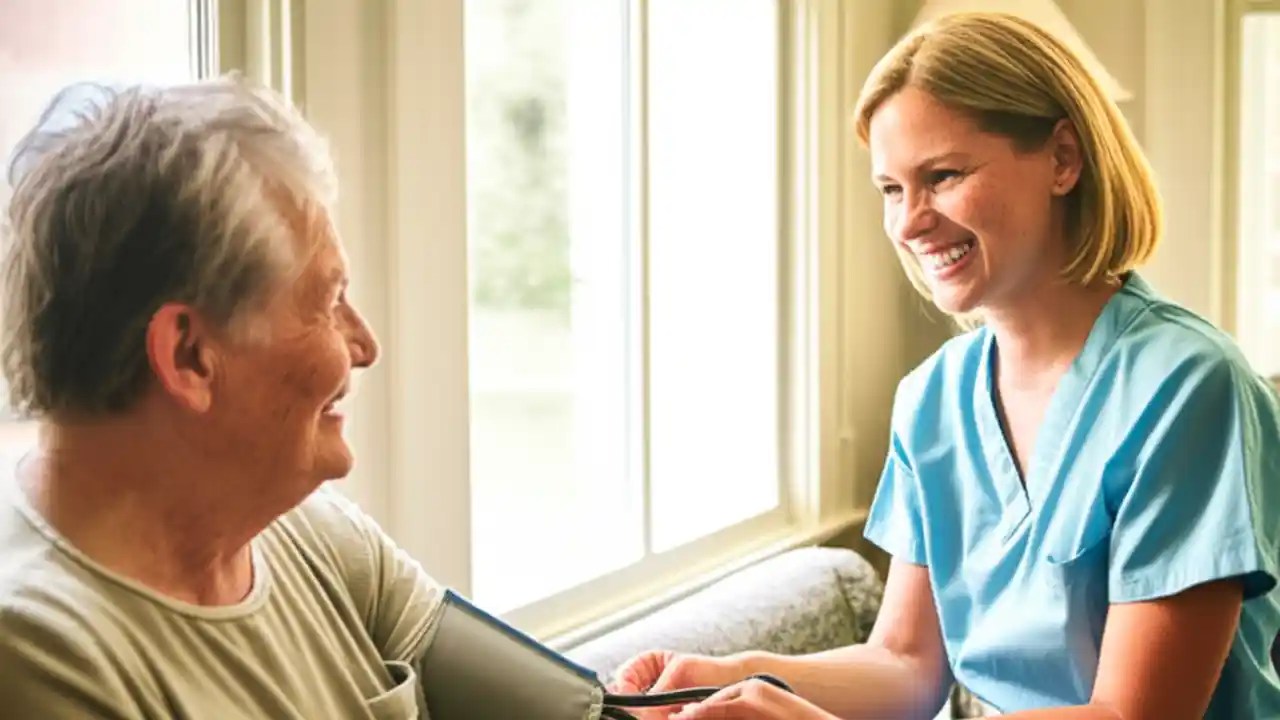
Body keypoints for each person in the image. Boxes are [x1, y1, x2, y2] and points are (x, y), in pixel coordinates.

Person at [612, 12, 1280, 720]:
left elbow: (1132, 715)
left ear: (1063, 159)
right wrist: (735, 676)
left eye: (943, 176)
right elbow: (905, 664)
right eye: (891, 189)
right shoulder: (932, 397)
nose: (908, 223)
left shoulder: (1189, 389)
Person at [0, 78, 445, 717]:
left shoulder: (312, 534)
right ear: (189, 357)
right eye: (328, 301)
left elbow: (571, 708)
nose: (365, 344)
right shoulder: (39, 653)